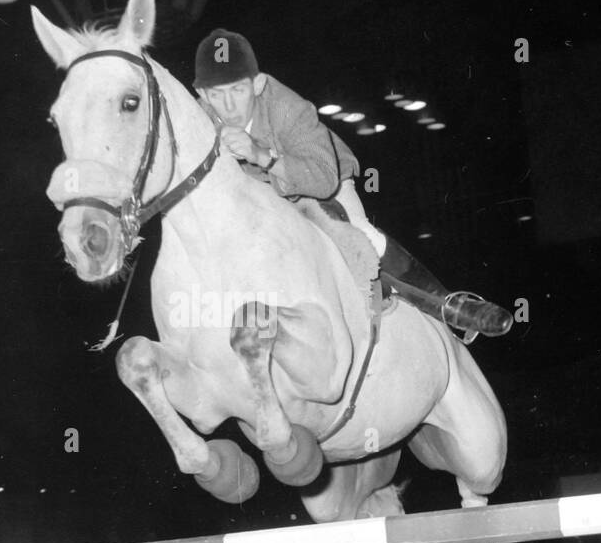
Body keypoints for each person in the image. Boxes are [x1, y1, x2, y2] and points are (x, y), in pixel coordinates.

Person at [192, 28, 513, 337]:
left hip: (320, 180)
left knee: (360, 234)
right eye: (217, 95)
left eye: (238, 90)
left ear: (258, 84)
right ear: (202, 95)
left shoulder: (289, 108)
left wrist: (261, 155)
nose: (229, 106)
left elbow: (322, 179)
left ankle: (449, 305)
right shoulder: (198, 120)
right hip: (262, 199)